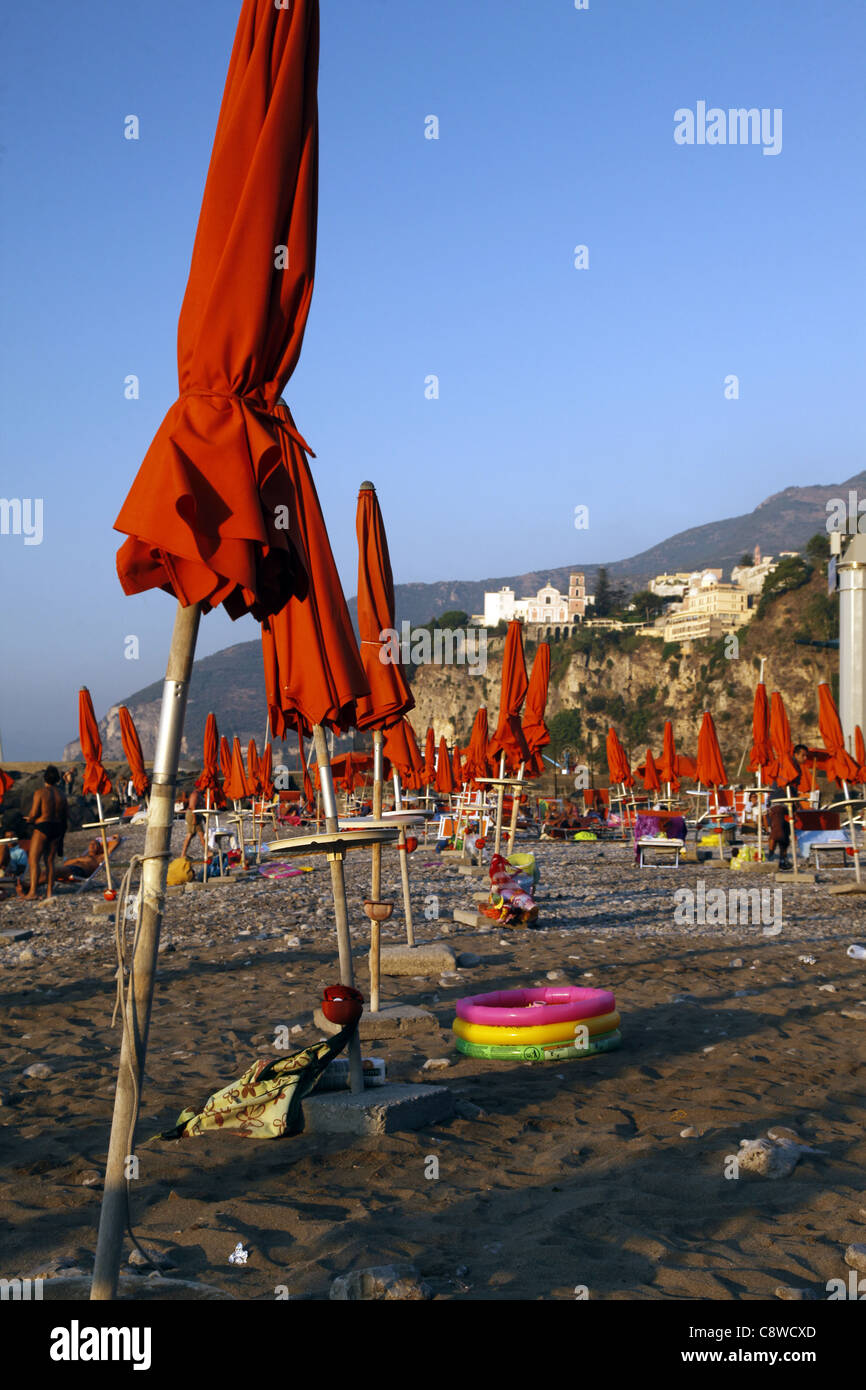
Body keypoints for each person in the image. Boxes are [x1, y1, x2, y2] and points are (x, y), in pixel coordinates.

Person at [23, 765, 68, 900]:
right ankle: (49, 893)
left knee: (34, 860)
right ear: (58, 779)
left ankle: (33, 892)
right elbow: (66, 815)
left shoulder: (40, 792)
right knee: (49, 862)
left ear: (45, 778)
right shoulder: (62, 795)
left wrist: (29, 819)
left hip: (43, 827)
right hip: (57, 828)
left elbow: (34, 813)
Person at [766, 750, 802, 870]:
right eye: (803, 755)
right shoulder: (784, 766)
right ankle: (770, 855)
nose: (805, 758)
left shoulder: (796, 770)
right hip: (777, 804)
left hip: (788, 805)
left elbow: (794, 790)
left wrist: (797, 804)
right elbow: (782, 784)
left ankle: (783, 858)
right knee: (778, 832)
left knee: (786, 835)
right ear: (796, 755)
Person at [182, 787, 208, 860]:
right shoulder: (195, 794)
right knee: (191, 834)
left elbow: (202, 807)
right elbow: (192, 807)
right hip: (193, 815)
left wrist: (205, 819)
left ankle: (207, 851)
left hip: (197, 815)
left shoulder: (200, 795)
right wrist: (194, 819)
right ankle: (183, 854)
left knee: (199, 834)